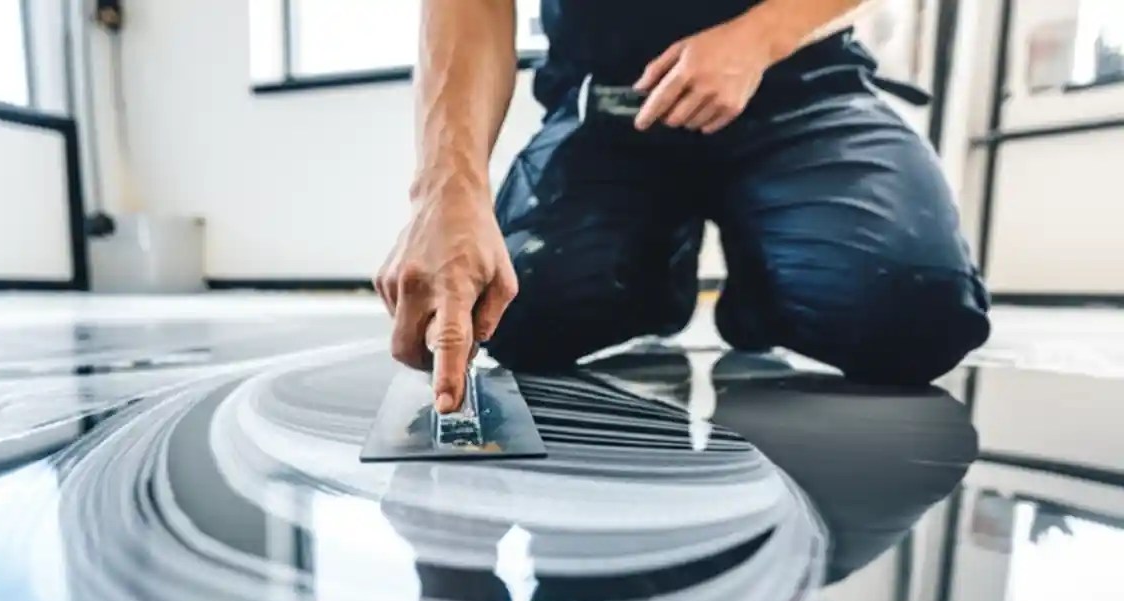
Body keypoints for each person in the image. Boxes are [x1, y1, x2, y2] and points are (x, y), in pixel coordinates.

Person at [373, 0, 992, 413]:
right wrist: (446, 189)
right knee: (517, 310)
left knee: (912, 312)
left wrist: (754, 39)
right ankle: (648, 279)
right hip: (614, 106)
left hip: (801, 82)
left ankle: (765, 293)